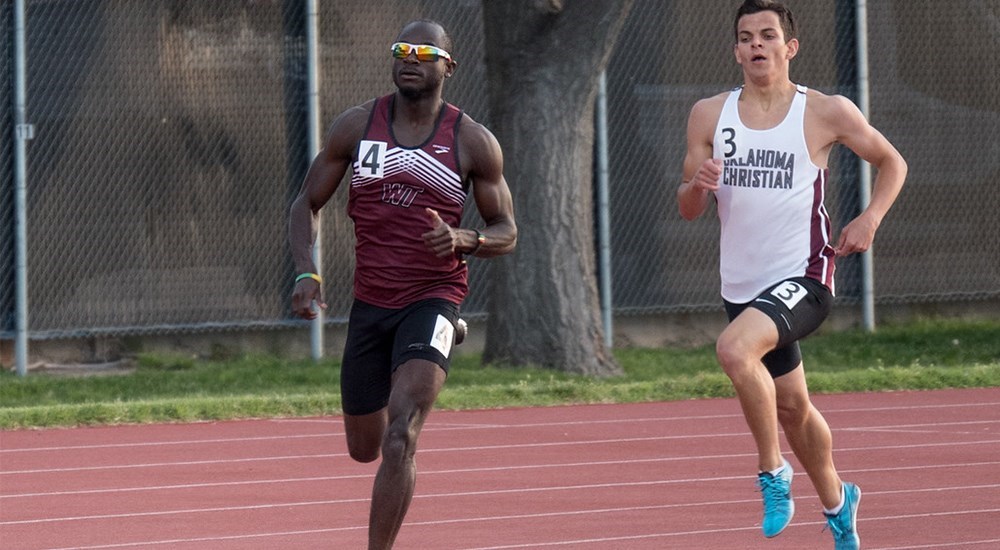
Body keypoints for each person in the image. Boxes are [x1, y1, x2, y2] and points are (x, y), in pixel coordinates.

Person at [677, 1, 906, 548]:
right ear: (736, 51)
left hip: (805, 276)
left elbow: (892, 161)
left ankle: (771, 471)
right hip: (742, 286)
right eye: (746, 37)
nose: (756, 44)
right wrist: (698, 185)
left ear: (790, 47)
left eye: (767, 35)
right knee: (793, 407)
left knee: (734, 351)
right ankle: (839, 502)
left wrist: (870, 218)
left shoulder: (825, 111)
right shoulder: (709, 114)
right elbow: (687, 208)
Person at [288, 19, 516, 550]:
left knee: (399, 436)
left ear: (448, 67)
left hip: (434, 295)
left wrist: (466, 239)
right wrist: (305, 270)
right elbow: (306, 203)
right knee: (363, 448)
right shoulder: (356, 126)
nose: (410, 58)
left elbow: (507, 230)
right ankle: (446, 337)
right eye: (402, 49)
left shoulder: (471, 141)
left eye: (424, 52)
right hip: (371, 304)